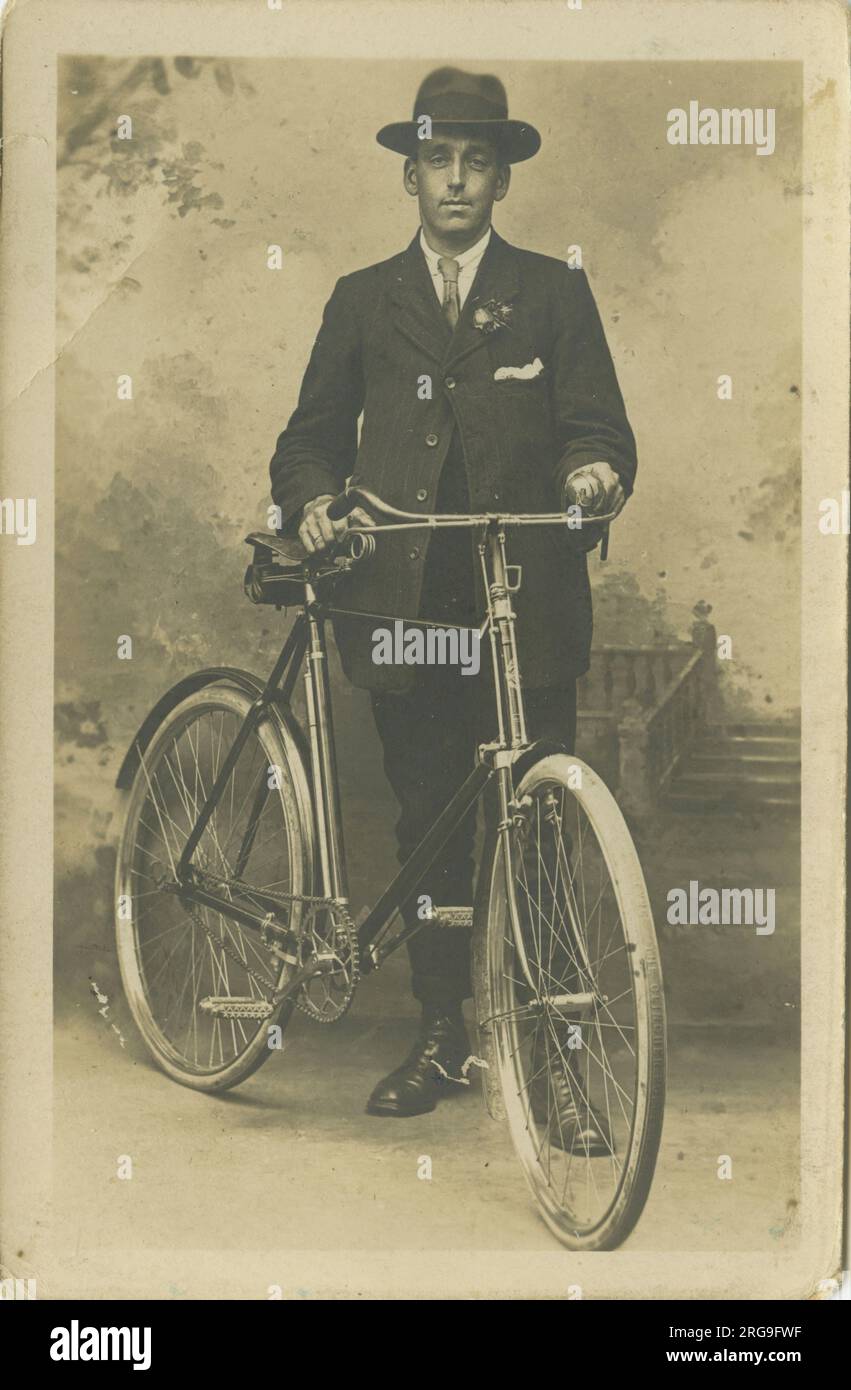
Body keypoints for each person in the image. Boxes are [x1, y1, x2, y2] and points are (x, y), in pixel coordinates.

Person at [270, 68, 636, 1140]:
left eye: (478, 161)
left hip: (526, 609)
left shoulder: (554, 292)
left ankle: (560, 1056)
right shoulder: (359, 298)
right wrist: (317, 501)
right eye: (439, 159)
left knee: (537, 829)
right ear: (409, 173)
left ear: (502, 178)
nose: (458, 180)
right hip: (406, 604)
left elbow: (598, 427)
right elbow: (306, 437)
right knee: (429, 828)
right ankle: (442, 1034)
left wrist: (593, 475)